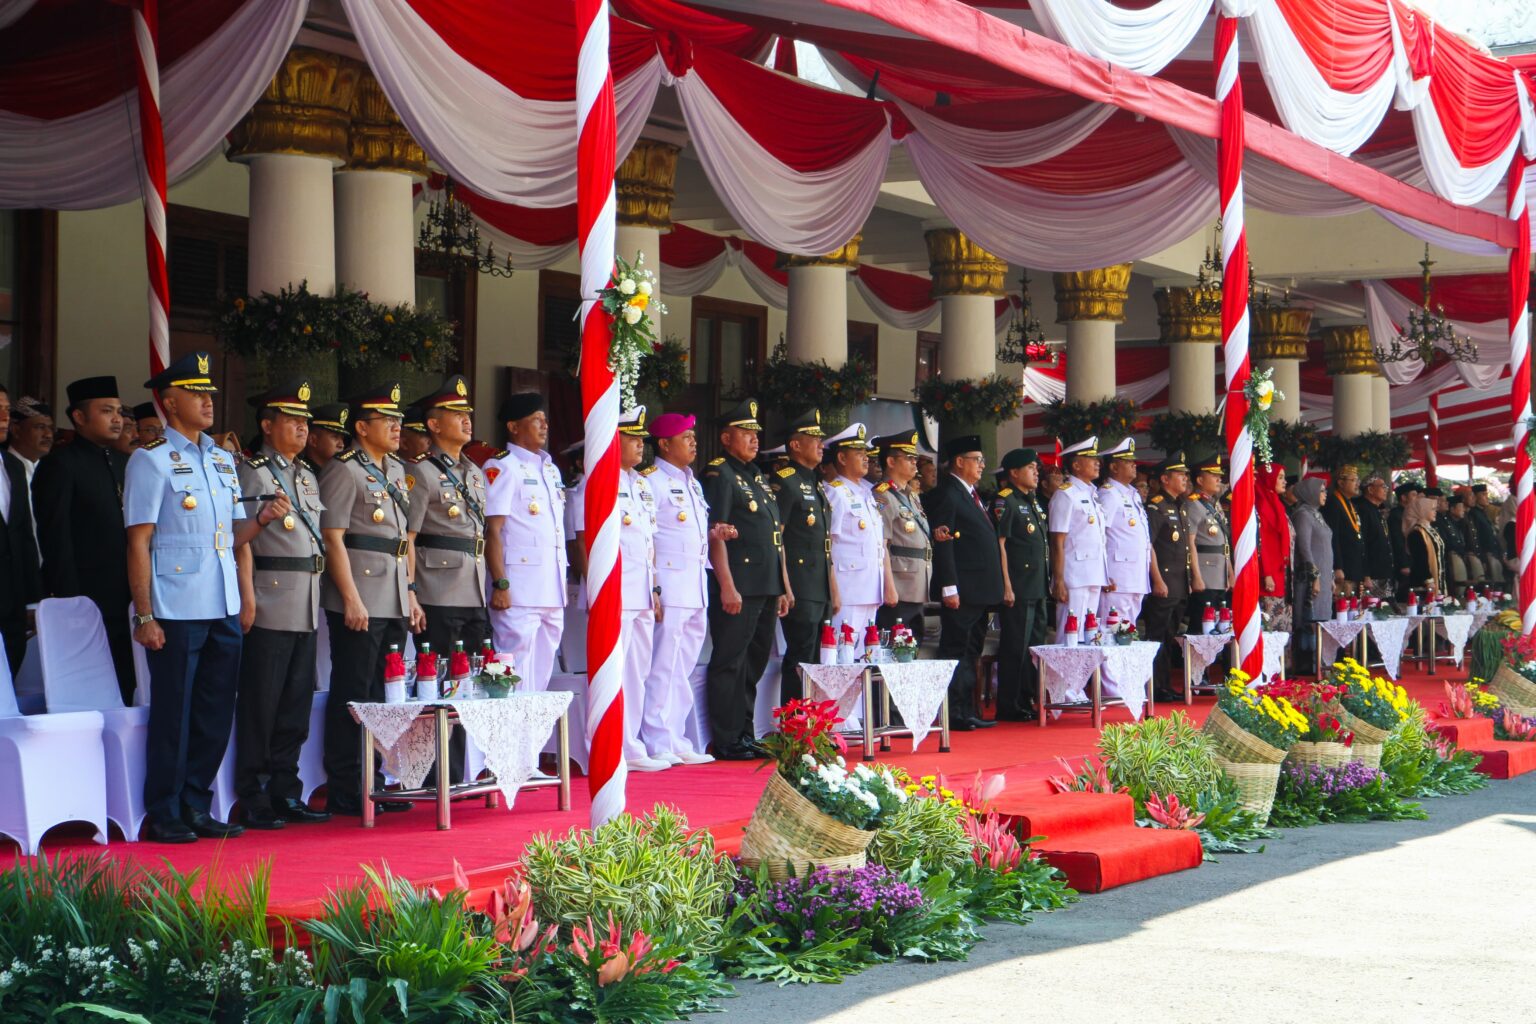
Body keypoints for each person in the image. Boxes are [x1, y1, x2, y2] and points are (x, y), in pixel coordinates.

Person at [125, 351, 288, 844]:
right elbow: (138, 542)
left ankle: (196, 803)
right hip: (175, 606)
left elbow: (231, 534)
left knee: (216, 710)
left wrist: (259, 523)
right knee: (174, 712)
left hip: (221, 603)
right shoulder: (150, 460)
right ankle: (165, 809)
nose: (208, 401)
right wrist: (145, 614)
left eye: (210, 393)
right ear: (169, 403)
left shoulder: (221, 459)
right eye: (197, 394)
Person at [318, 381, 423, 816]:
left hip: (394, 594)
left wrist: (412, 593)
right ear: (362, 427)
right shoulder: (343, 469)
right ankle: (347, 784)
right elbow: (333, 538)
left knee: (385, 694)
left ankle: (376, 779)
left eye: (399, 420)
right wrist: (350, 599)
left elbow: (403, 540)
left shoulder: (396, 470)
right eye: (387, 420)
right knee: (354, 693)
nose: (397, 427)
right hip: (362, 595)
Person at [233, 379, 330, 830]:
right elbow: (244, 540)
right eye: (291, 421)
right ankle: (252, 793)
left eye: (305, 422)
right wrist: (247, 595)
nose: (302, 428)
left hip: (305, 598)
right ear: (267, 425)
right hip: (271, 595)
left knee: (294, 702)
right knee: (262, 702)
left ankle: (285, 789)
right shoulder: (255, 471)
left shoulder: (307, 474)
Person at [404, 375, 492, 784]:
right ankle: (440, 773)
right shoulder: (421, 473)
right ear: (434, 425)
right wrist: (410, 592)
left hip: (473, 586)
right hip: (438, 589)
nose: (466, 419)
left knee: (471, 681)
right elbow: (409, 537)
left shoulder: (473, 472)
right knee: (440, 684)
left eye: (467, 413)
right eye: (455, 414)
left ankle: (466, 769)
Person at [32, 376, 136, 703]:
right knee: (89, 692)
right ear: (79, 417)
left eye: (119, 411)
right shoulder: (60, 465)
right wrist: (71, 600)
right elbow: (55, 539)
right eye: (107, 411)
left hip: (130, 598)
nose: (117, 419)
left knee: (129, 686)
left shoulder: (126, 463)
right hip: (86, 601)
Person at [702, 399, 787, 759]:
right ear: (725, 437)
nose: (754, 439)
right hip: (739, 585)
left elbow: (774, 537)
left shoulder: (756, 476)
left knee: (753, 663)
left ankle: (745, 732)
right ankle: (726, 738)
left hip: (765, 585)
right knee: (730, 661)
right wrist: (727, 585)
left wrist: (781, 587)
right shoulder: (719, 474)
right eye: (745, 432)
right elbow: (715, 535)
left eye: (755, 432)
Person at [643, 412, 717, 765]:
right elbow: (649, 538)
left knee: (684, 664)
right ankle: (657, 739)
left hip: (695, 583)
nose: (693, 442)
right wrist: (654, 586)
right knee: (662, 663)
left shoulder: (693, 482)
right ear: (664, 444)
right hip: (669, 583)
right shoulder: (651, 481)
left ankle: (676, 736)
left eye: (693, 436)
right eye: (685, 436)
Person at [484, 392, 568, 694]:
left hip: (551, 589)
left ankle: (529, 740)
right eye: (536, 420)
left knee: (541, 675)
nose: (544, 425)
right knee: (511, 670)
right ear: (514, 427)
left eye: (545, 420)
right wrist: (500, 583)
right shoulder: (502, 466)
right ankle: (505, 740)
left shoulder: (549, 468)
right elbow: (492, 530)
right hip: (518, 589)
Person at [601, 406, 669, 772]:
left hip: (642, 591)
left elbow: (648, 544)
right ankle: (615, 746)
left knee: (638, 670)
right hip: (616, 592)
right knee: (615, 671)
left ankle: (632, 743)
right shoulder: (601, 481)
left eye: (642, 437)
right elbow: (586, 542)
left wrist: (656, 588)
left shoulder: (641, 484)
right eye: (632, 437)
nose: (640, 444)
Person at [923, 434, 1000, 731]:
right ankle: (953, 711)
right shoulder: (948, 493)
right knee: (956, 650)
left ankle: (967, 707)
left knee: (972, 651)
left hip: (978, 591)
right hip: (962, 590)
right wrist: (949, 587)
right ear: (959, 462)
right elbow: (945, 543)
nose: (982, 465)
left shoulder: (969, 493)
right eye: (976, 460)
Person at [769, 410, 833, 705]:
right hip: (799, 582)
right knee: (800, 654)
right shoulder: (787, 480)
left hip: (818, 585)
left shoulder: (815, 483)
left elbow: (824, 543)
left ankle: (814, 722)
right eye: (815, 439)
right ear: (795, 445)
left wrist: (833, 588)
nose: (821, 445)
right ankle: (795, 723)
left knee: (819, 656)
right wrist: (784, 584)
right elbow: (777, 538)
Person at [992, 447, 1047, 720]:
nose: (1036, 471)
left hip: (1037, 585)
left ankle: (1027, 698)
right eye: (1030, 467)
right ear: (1014, 472)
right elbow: (1000, 545)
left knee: (1034, 647)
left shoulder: (1032, 501)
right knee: (1015, 646)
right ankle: (1010, 703)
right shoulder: (1006, 501)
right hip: (1019, 585)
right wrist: (1006, 585)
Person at [822, 423, 893, 634]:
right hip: (848, 591)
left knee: (865, 654)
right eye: (859, 453)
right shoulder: (835, 492)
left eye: (866, 454)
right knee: (843, 654)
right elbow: (828, 545)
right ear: (842, 459)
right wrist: (834, 590)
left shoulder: (867, 493)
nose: (866, 458)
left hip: (870, 588)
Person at [872, 430, 932, 645]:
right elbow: (882, 545)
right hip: (899, 585)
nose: (915, 463)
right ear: (890, 461)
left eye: (915, 458)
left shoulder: (912, 495)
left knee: (912, 647)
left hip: (916, 585)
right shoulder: (882, 494)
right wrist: (889, 586)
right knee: (894, 649)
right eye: (909, 458)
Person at [1144, 453, 1194, 701]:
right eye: (1179, 474)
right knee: (1157, 637)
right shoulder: (1156, 506)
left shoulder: (1179, 506)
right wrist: (1156, 579)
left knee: (1168, 635)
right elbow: (1149, 545)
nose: (1185, 478)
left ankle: (1164, 685)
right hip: (1164, 583)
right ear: (1165, 478)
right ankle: (1155, 686)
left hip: (1178, 584)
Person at [1048, 436, 1108, 639]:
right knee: (1070, 635)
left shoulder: (1093, 494)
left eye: (1096, 459)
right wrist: (1058, 580)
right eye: (1090, 458)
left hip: (1093, 574)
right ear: (1076, 465)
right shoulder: (1066, 494)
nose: (1097, 463)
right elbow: (1057, 541)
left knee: (1090, 635)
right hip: (1074, 576)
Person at [1097, 437, 1152, 626]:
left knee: (1128, 633)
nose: (1133, 465)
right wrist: (1102, 573)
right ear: (1113, 467)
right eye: (1127, 462)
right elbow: (1099, 535)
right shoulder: (1108, 494)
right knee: (1111, 630)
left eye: (1133, 462)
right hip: (1117, 577)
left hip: (1135, 576)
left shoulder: (1132, 494)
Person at [0, 414, 39, 676]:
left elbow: (25, 535)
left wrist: (32, 600)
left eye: (6, 409)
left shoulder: (13, 465)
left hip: (11, 598)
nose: (4, 417)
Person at [1290, 477, 1334, 670]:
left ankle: (1318, 661)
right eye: (1321, 491)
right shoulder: (1303, 515)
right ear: (1310, 493)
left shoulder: (1317, 514)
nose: (1325, 494)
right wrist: (1314, 576)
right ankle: (1306, 662)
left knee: (1321, 617)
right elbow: (1304, 548)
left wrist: (1329, 576)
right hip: (1310, 577)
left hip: (1323, 575)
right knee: (1309, 616)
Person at [1184, 453, 1232, 626]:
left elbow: (1223, 544)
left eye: (1219, 475)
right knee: (1202, 625)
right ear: (1200, 480)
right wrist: (1195, 576)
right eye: (1213, 475)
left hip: (1219, 575)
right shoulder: (1193, 504)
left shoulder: (1212, 504)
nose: (1219, 478)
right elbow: (1190, 543)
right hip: (1205, 575)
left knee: (1219, 626)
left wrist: (1230, 574)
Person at [8, 396, 51, 548]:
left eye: (50, 428)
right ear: (16, 430)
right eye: (39, 427)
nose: (48, 434)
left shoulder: (51, 471)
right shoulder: (5, 472)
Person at [1256, 463, 1292, 628]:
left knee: (1283, 622)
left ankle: (1283, 654)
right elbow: (1262, 541)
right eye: (1280, 477)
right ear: (1269, 479)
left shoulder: (1275, 501)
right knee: (1271, 623)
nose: (1284, 482)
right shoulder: (1262, 503)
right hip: (1267, 572)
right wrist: (1267, 573)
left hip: (1279, 569)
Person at [1322, 464, 1366, 597]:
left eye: (1357, 480)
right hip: (1344, 567)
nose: (1357, 484)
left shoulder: (1350, 503)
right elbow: (1333, 536)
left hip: (1354, 566)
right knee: (1343, 608)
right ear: (1341, 483)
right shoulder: (1333, 503)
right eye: (1353, 480)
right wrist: (1337, 566)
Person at [1356, 475, 1394, 599]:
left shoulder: (1375, 509)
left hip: (1382, 571)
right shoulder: (1363, 509)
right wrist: (1366, 574)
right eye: (1382, 486)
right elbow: (1363, 543)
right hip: (1371, 575)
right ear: (1370, 489)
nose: (1386, 490)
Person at [1403, 492, 1446, 597]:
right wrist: (1428, 580)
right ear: (1422, 511)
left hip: (1438, 578)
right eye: (1432, 509)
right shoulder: (1417, 533)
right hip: (1422, 582)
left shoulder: (1431, 530)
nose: (1435, 512)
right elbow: (1420, 559)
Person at [1388, 481, 1420, 597]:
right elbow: (1398, 541)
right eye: (1413, 495)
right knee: (1405, 596)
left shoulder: (1412, 514)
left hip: (1414, 562)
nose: (1416, 498)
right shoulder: (1396, 515)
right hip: (1404, 564)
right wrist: (1403, 564)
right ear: (1403, 498)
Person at [1469, 484, 1503, 584]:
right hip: (1486, 554)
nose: (1486, 497)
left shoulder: (1483, 512)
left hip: (1494, 552)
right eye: (1483, 494)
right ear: (1475, 497)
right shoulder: (1474, 514)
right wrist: (1482, 558)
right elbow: (1476, 538)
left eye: (1486, 494)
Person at [303, 404, 349, 473]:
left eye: (342, 438)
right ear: (313, 440)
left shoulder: (337, 472)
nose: (341, 445)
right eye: (335, 437)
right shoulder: (302, 471)